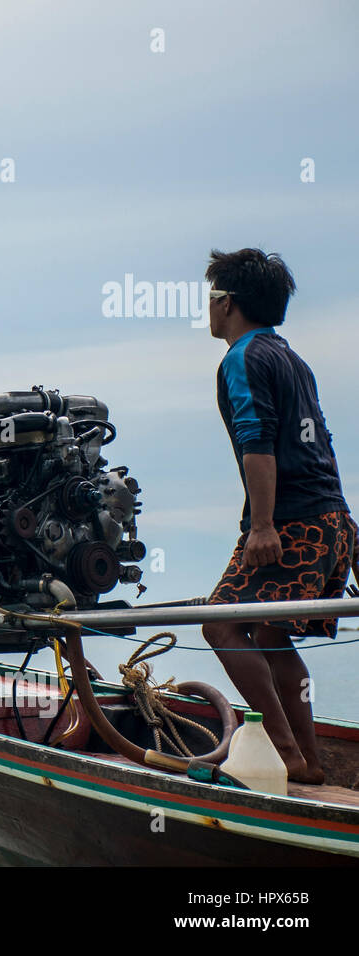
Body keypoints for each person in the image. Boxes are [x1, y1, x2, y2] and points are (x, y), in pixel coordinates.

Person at [202, 248, 354, 784]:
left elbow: (257, 441)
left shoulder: (242, 358)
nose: (208, 307)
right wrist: (347, 534)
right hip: (329, 519)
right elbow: (322, 443)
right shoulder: (292, 358)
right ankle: (306, 762)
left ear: (230, 303)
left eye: (212, 297)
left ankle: (285, 750)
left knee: (220, 626)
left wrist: (263, 526)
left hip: (291, 522)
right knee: (269, 633)